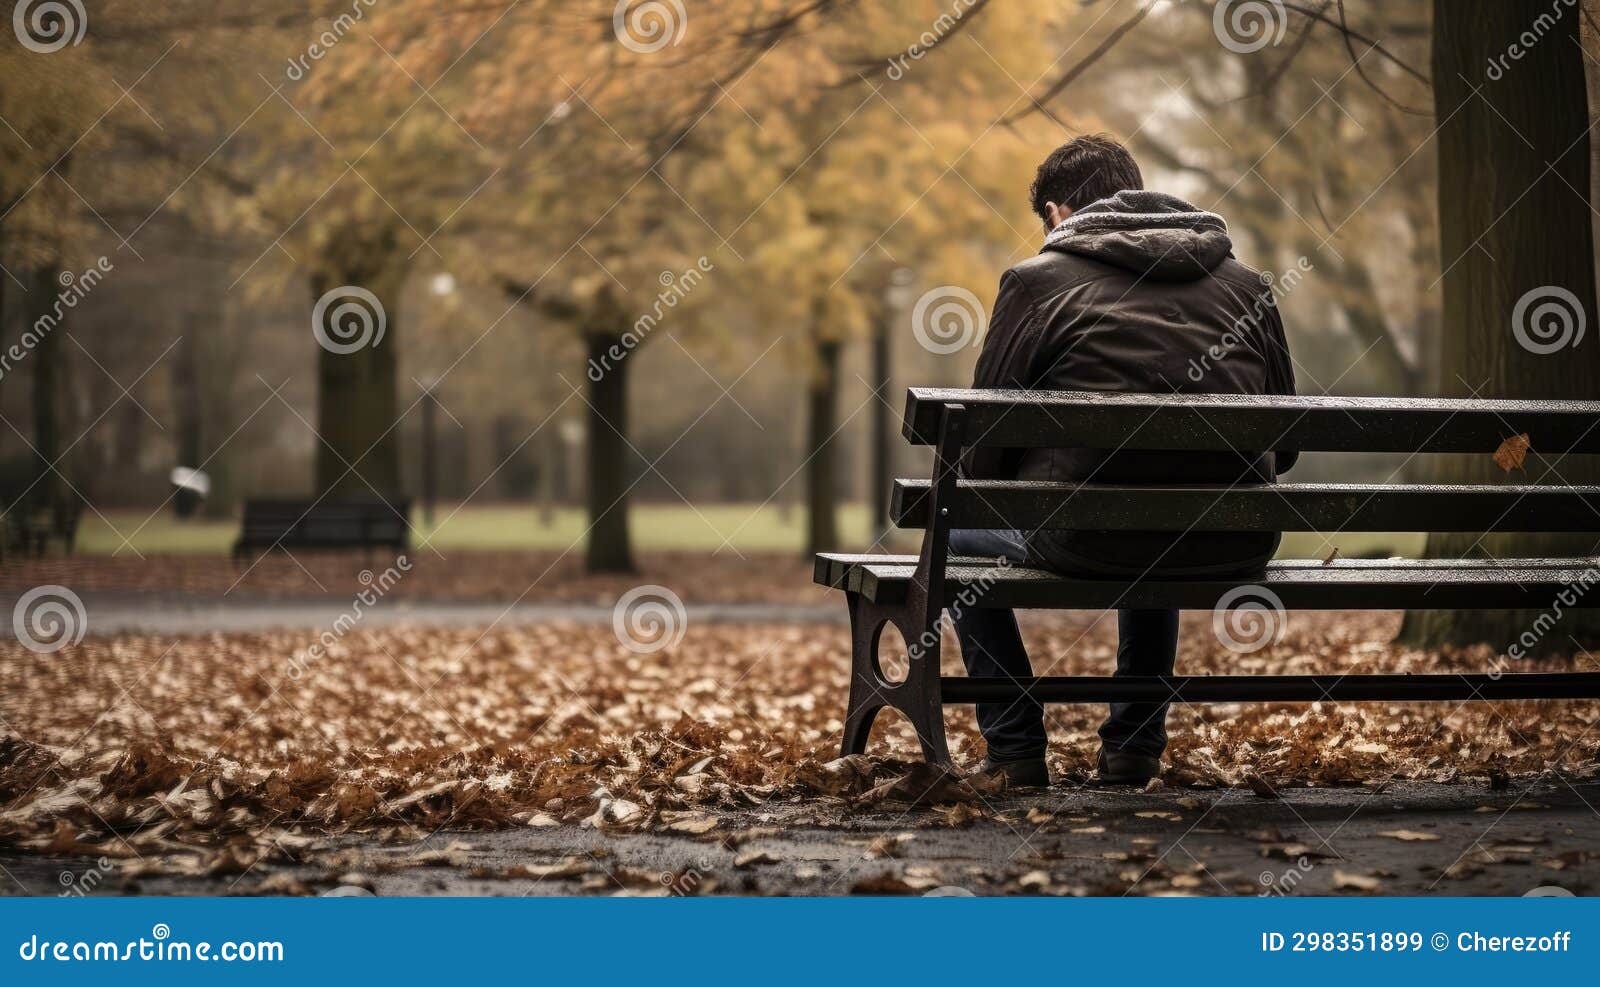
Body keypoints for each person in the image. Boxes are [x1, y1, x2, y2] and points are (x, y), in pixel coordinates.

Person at [952, 133, 1297, 788]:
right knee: (1157, 511)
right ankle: (1135, 743)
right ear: (1139, 195)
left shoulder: (1034, 284)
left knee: (953, 531)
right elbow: (1287, 443)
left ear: (1058, 214)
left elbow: (982, 455)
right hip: (1234, 531)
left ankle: (1016, 743)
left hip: (1087, 535)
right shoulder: (1247, 285)